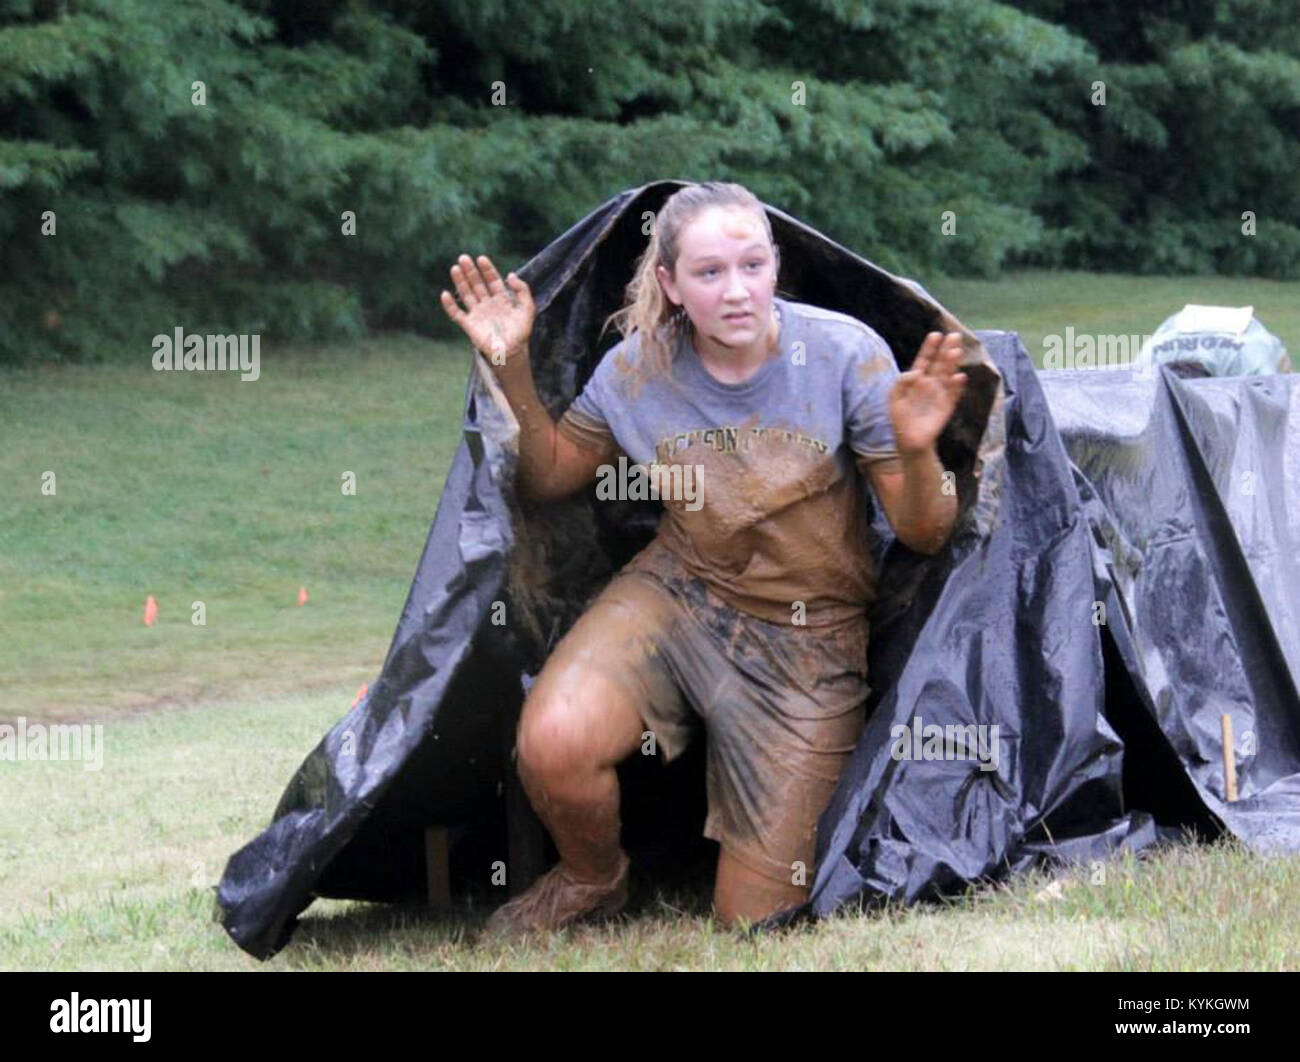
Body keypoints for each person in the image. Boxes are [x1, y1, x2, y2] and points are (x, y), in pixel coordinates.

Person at [439, 181, 967, 932]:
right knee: (553, 740)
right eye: (710, 273)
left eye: (753, 265)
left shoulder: (845, 355)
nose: (737, 291)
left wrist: (916, 452)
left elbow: (928, 533)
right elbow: (550, 474)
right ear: (671, 284)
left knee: (754, 921)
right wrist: (514, 365)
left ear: (776, 266)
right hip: (679, 593)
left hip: (809, 642)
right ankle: (594, 877)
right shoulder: (636, 370)